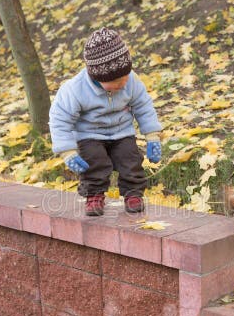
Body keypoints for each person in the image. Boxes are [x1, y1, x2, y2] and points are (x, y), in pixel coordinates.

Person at [49, 27, 162, 216]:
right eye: (117, 81)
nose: (123, 83)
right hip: (89, 134)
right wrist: (67, 151)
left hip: (122, 131)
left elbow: (143, 105)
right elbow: (60, 119)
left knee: (131, 160)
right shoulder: (75, 89)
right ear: (98, 77)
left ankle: (134, 194)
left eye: (126, 76)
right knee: (94, 163)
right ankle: (94, 195)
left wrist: (152, 135)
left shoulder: (130, 81)